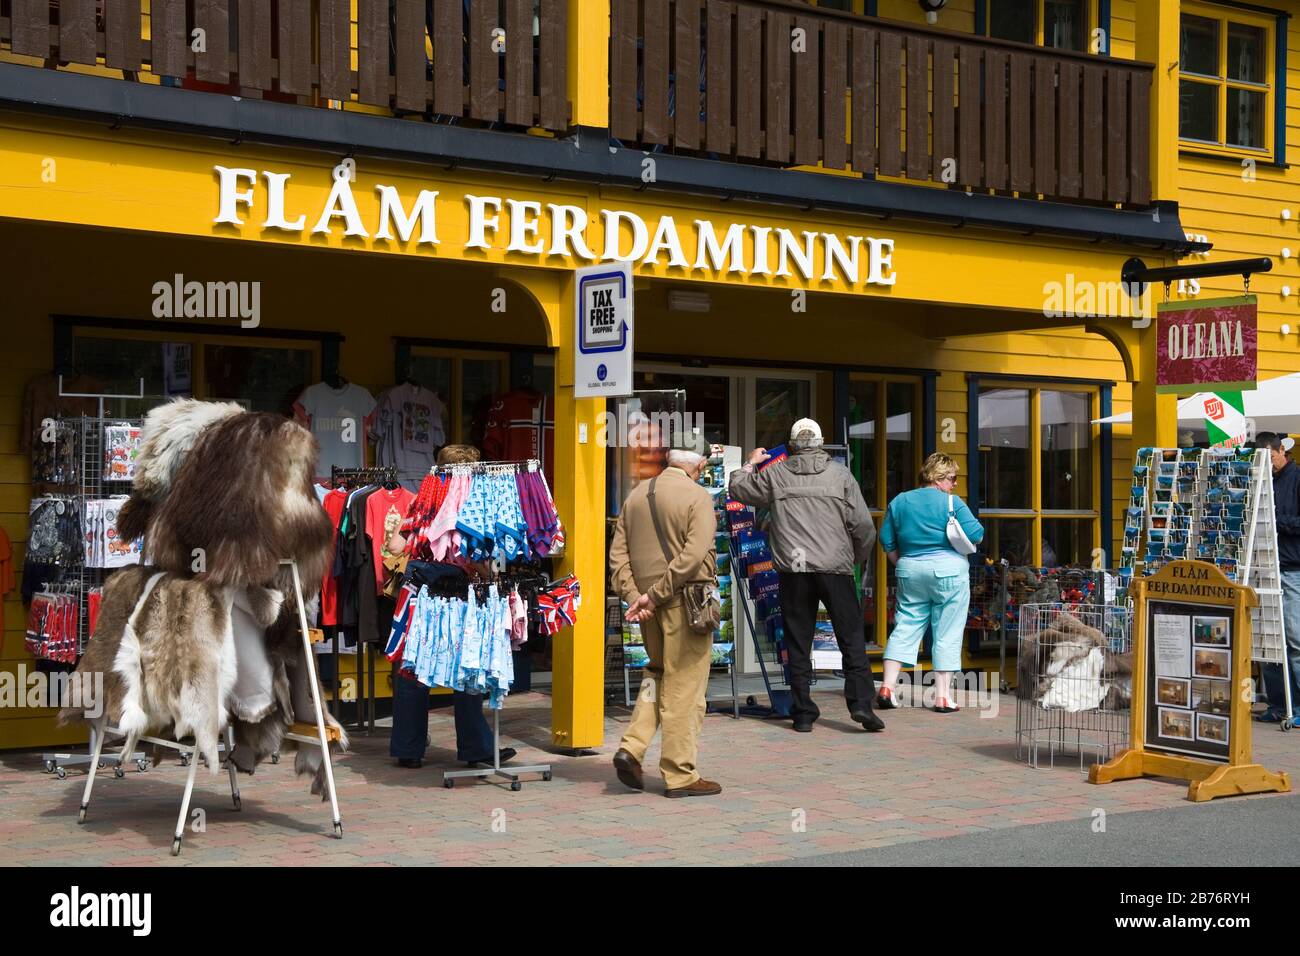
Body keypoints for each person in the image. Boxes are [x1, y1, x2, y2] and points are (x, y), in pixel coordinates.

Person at [729, 418, 884, 733]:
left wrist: (749, 463)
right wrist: (856, 557)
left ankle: (802, 714)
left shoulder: (776, 473)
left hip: (794, 570)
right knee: (851, 638)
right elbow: (864, 526)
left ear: (791, 444)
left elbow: (738, 489)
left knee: (798, 641)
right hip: (835, 568)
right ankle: (861, 705)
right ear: (821, 442)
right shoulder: (841, 475)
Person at [609, 433, 723, 797]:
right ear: (699, 465)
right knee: (686, 689)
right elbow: (692, 558)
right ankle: (681, 774)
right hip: (685, 605)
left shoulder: (636, 495)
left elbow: (618, 557)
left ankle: (632, 746)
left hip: (647, 607)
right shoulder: (698, 497)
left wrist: (636, 597)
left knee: (656, 675)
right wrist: (656, 596)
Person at [390, 444, 515, 770]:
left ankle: (408, 748)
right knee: (467, 669)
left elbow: (394, 546)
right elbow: (477, 559)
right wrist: (490, 572)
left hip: (419, 593)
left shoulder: (425, 499)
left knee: (413, 668)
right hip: (459, 596)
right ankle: (476, 748)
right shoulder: (471, 505)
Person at [877, 452, 984, 713]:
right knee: (947, 632)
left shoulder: (900, 501)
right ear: (939, 478)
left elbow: (886, 539)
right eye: (952, 478)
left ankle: (887, 688)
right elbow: (977, 534)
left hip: (910, 569)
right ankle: (943, 697)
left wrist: (902, 563)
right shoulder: (952, 502)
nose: (955, 484)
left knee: (905, 626)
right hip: (949, 572)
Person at [1252, 433, 1300, 725]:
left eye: (1270, 458)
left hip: (1292, 568)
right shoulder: (1261, 480)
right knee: (1266, 641)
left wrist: (1275, 521)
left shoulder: (1296, 479)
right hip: (1264, 568)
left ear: (1282, 450)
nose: (1267, 465)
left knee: (1294, 641)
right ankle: (1279, 704)